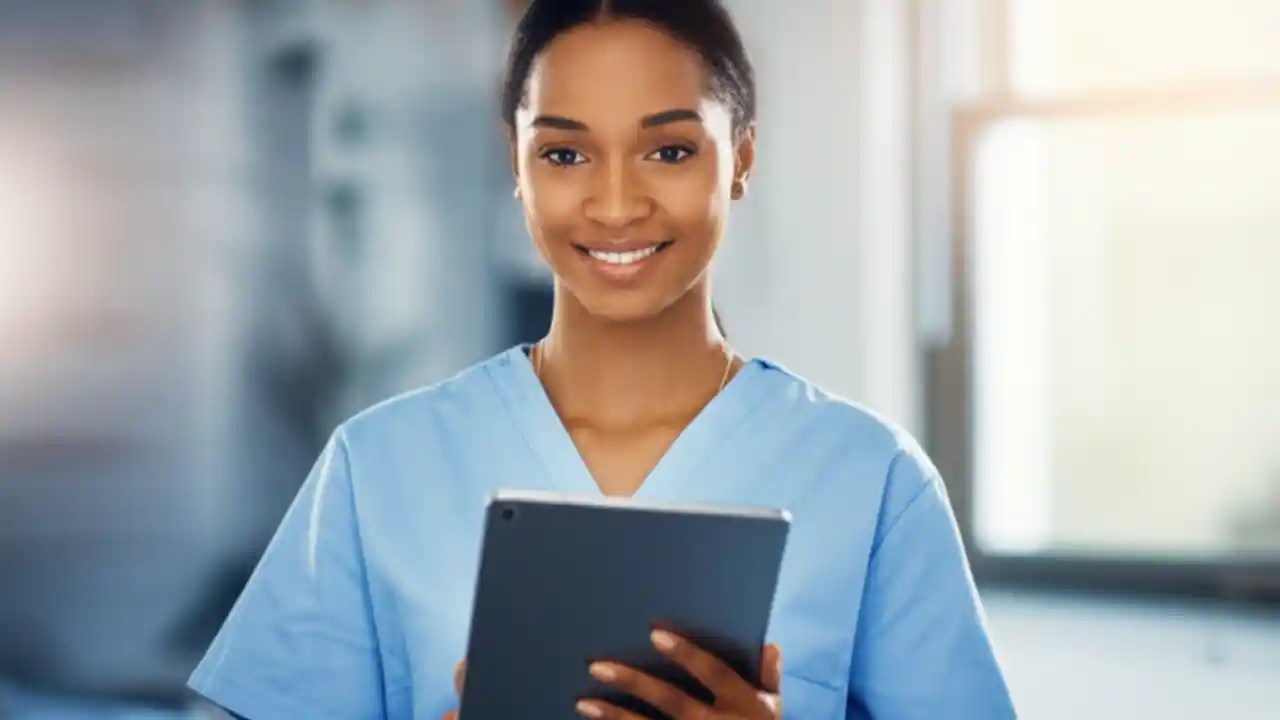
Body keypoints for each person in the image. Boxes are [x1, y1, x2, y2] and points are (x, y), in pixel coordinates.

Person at [187, 0, 1016, 717]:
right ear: (515, 165)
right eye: (564, 153)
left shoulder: (872, 480)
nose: (616, 204)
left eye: (669, 151)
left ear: (743, 161)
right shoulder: (377, 468)